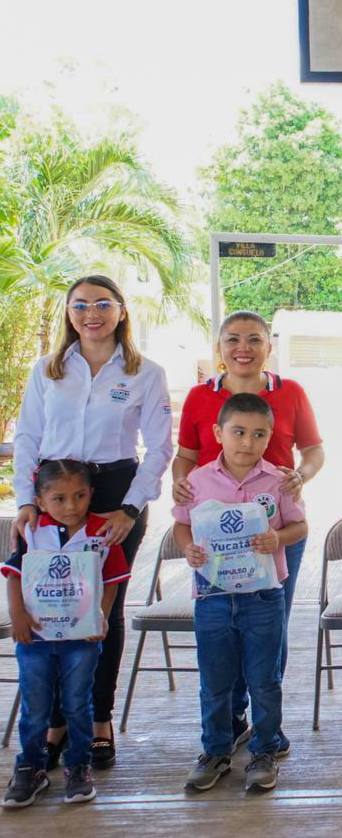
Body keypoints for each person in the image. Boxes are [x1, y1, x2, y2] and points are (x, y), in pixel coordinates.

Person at [12, 274, 173, 769]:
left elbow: (159, 447)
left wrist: (129, 507)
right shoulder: (48, 369)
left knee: (103, 605)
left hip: (111, 492)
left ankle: (98, 718)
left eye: (103, 304)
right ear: (69, 313)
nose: (91, 314)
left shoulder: (145, 372)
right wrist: (26, 501)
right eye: (80, 305)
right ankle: (58, 722)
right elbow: (27, 438)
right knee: (48, 601)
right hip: (52, 491)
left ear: (122, 311)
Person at [173, 310, 324, 755]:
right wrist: (179, 481)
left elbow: (314, 451)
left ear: (268, 346)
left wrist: (301, 476)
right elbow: (185, 455)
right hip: (215, 534)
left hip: (274, 529)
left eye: (254, 339)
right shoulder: (200, 397)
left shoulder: (291, 392)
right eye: (233, 339)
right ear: (218, 347)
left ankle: (265, 726)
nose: (243, 348)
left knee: (268, 623)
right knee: (222, 625)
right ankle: (232, 719)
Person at [173, 393, 307, 794]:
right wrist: (187, 547)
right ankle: (215, 751)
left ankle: (265, 751)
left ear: (270, 438)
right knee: (215, 681)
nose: (247, 442)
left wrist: (277, 537)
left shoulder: (279, 481)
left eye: (259, 434)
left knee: (264, 679)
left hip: (263, 597)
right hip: (213, 598)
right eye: (238, 432)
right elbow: (182, 526)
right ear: (218, 433)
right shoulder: (196, 482)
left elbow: (300, 528)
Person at [2, 460, 130, 808]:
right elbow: (15, 574)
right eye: (59, 498)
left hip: (81, 641)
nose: (71, 506)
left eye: (80, 496)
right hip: (37, 640)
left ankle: (79, 766)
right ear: (41, 501)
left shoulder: (103, 532)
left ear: (91, 494)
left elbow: (111, 582)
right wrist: (18, 615)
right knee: (36, 707)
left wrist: (99, 617)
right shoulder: (31, 531)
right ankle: (30, 767)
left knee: (77, 704)